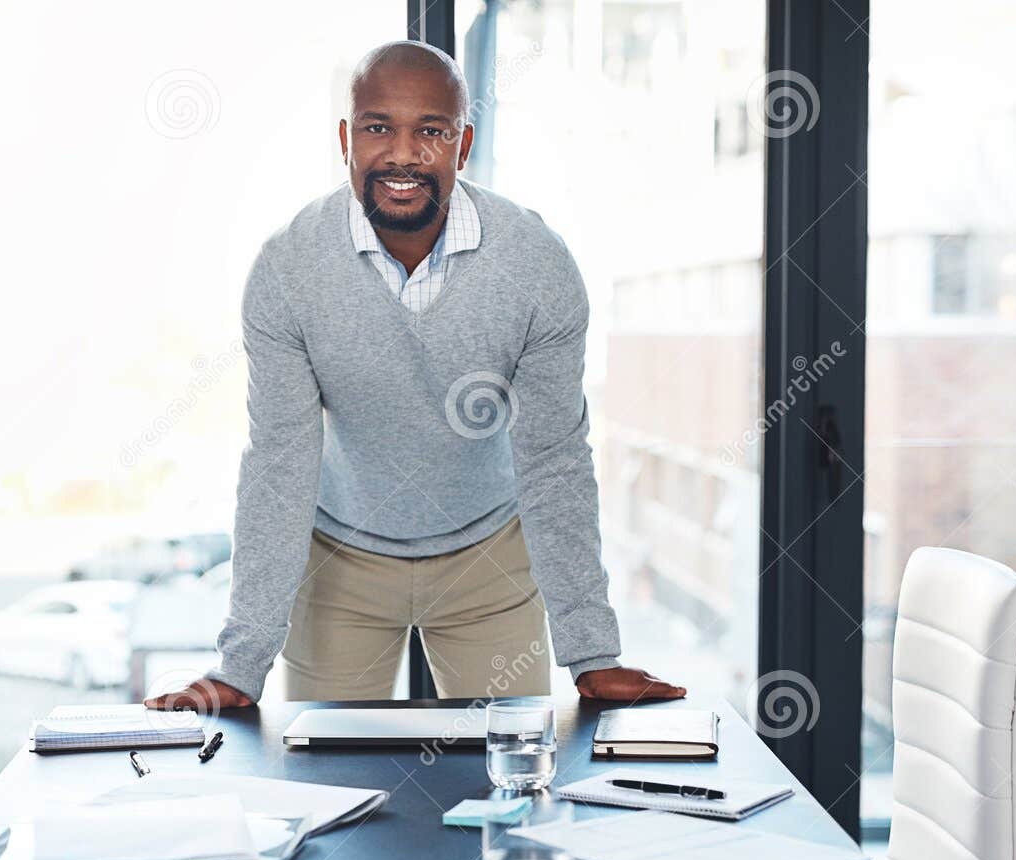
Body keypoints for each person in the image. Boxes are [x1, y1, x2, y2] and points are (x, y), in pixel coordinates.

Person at [147, 40, 683, 713]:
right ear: (346, 140)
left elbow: (554, 459)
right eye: (378, 128)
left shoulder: (536, 264)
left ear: (463, 146)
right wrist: (241, 666)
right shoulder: (287, 268)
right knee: (328, 766)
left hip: (490, 554)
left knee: (506, 764)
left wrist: (593, 654)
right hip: (340, 556)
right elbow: (279, 463)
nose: (403, 154)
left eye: (431, 131)